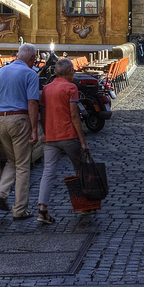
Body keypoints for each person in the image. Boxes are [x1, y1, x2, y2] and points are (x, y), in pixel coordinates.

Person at [0, 42, 42, 219]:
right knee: (23, 166)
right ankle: (20, 209)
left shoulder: (0, 72)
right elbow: (32, 102)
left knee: (11, 160)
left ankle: (1, 193)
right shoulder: (30, 74)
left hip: (0, 120)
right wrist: (34, 129)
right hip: (19, 120)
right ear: (32, 58)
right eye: (35, 59)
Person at [36, 57, 90, 223]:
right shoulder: (71, 88)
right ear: (69, 72)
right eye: (73, 71)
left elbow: (43, 114)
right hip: (68, 135)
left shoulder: (46, 89)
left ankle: (42, 209)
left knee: (48, 172)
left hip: (51, 136)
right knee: (80, 169)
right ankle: (84, 204)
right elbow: (74, 116)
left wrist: (46, 131)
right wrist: (83, 141)